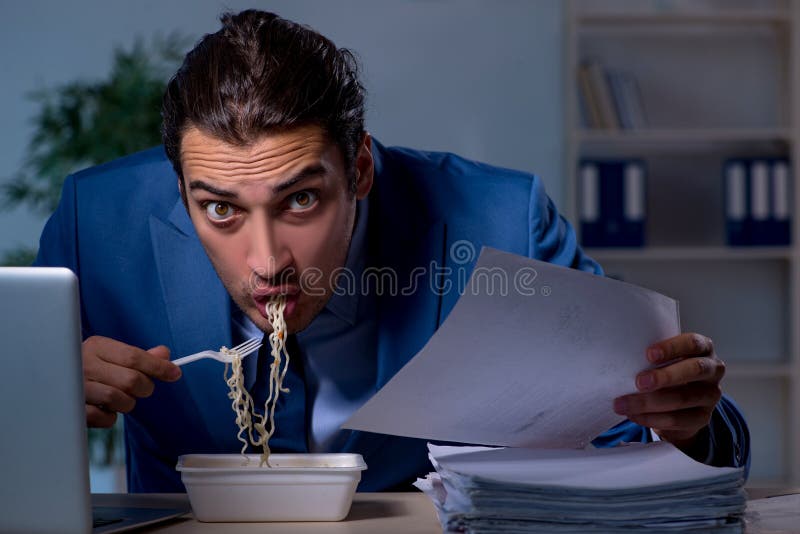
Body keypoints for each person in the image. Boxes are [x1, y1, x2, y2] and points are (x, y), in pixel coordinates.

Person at [35, 9, 749, 492]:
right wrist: (41, 398)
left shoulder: (502, 223)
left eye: (302, 200)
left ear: (362, 170)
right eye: (219, 208)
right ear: (180, 188)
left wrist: (687, 420)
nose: (266, 262)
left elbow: (632, 433)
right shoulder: (97, 227)